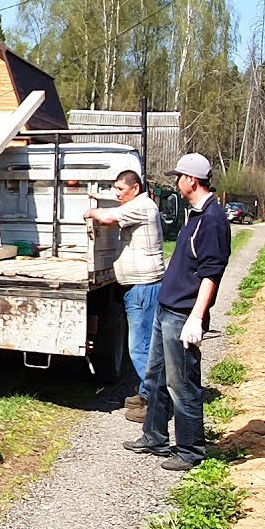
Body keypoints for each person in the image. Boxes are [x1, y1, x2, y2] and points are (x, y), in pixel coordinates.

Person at [123, 153, 230, 471]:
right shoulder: (196, 215)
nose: (176, 183)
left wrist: (197, 317)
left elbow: (211, 273)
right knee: (156, 377)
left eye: (179, 178)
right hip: (166, 309)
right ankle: (154, 436)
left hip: (183, 315)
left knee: (181, 384)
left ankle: (190, 450)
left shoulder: (212, 220)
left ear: (191, 180)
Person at [82, 169, 165, 423]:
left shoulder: (142, 206)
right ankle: (146, 393)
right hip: (140, 288)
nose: (117, 194)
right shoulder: (140, 205)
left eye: (120, 189)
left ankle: (155, 404)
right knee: (143, 346)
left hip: (143, 287)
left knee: (141, 348)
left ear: (135, 188)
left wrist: (91, 211)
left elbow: (107, 217)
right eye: (115, 189)